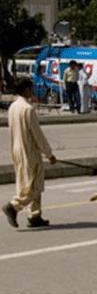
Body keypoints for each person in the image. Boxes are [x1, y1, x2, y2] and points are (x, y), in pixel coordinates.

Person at [3, 79, 57, 229]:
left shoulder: (13, 106)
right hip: (30, 151)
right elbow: (37, 135)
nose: (32, 91)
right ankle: (13, 206)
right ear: (26, 90)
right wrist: (49, 154)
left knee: (27, 182)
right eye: (31, 88)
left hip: (17, 149)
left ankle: (35, 215)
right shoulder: (27, 109)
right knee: (34, 185)